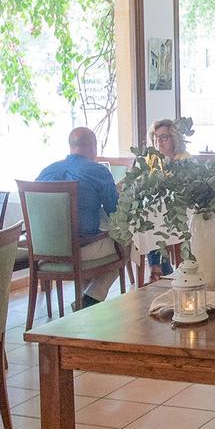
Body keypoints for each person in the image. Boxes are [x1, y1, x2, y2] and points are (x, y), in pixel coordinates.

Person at [35, 128, 122, 306]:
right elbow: (115, 209)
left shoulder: (46, 172)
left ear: (70, 146)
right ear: (93, 146)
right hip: (80, 250)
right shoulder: (97, 171)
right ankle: (90, 299)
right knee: (126, 241)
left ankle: (84, 301)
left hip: (45, 252)